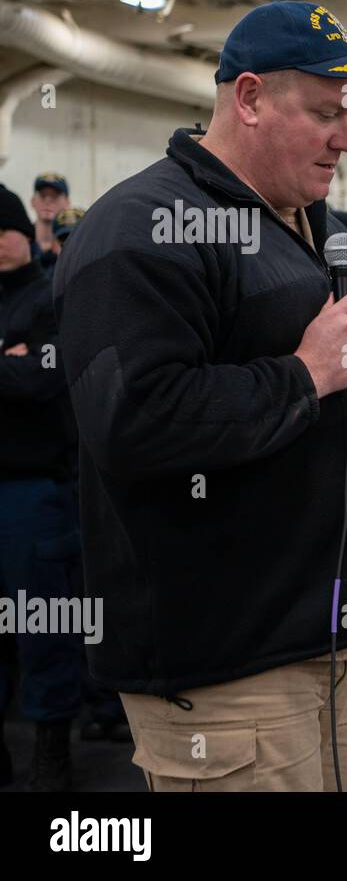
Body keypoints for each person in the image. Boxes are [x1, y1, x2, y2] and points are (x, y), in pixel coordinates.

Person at [53, 0, 347, 792]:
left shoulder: (308, 225)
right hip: (228, 667)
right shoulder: (144, 228)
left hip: (320, 643)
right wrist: (301, 374)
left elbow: (330, 386)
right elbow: (133, 420)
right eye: (325, 113)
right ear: (248, 99)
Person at [0, 184, 80, 790]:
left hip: (36, 489)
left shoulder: (53, 294)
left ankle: (52, 749)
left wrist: (24, 364)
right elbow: (21, 373)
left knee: (42, 624)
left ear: (24, 234)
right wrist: (12, 360)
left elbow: (45, 377)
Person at [30, 173, 70, 259]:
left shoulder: (72, 242)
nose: (48, 201)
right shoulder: (21, 241)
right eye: (42, 195)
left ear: (67, 202)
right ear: (32, 201)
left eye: (55, 196)